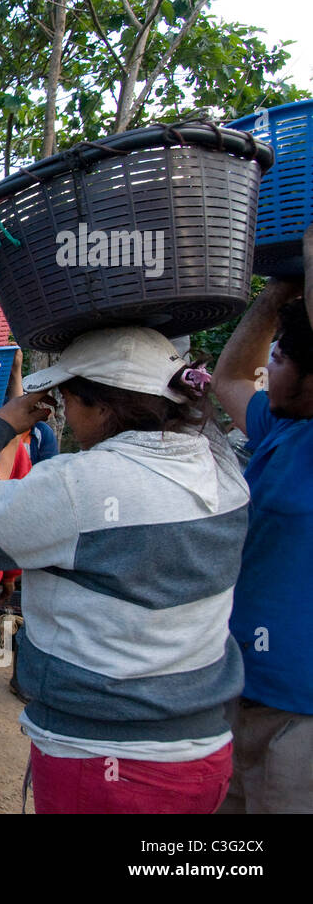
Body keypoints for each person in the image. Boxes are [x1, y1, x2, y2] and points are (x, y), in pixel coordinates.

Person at [0, 327, 248, 814]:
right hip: (205, 751)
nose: (64, 413)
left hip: (104, 762)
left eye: (68, 399)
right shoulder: (220, 463)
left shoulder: (80, 485)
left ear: (102, 406)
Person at [212, 269, 313, 813]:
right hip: (239, 685)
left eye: (277, 358)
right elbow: (230, 377)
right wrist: (277, 293)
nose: (264, 367)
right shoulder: (282, 428)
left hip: (301, 712)